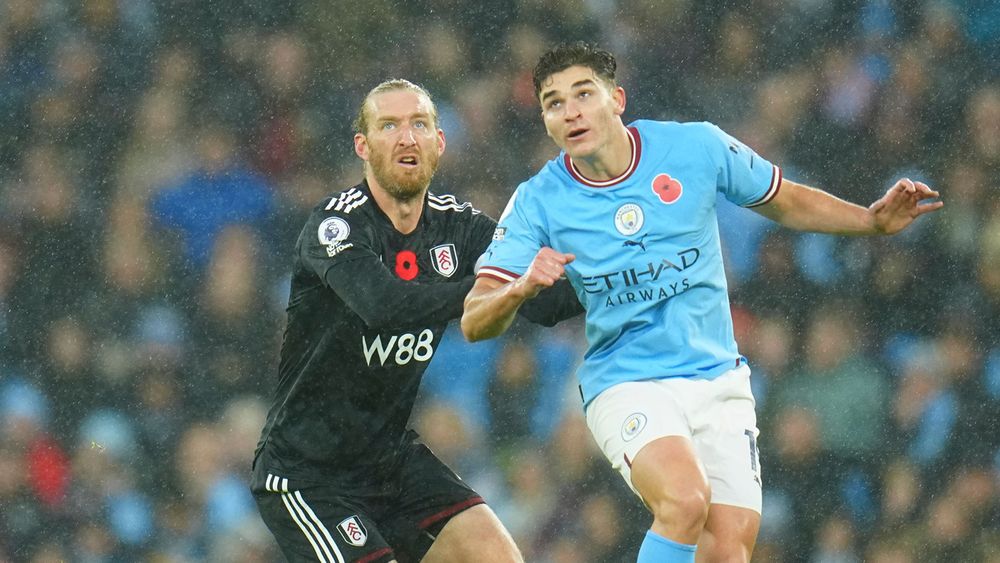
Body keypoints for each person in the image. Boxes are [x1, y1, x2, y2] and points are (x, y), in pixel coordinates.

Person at [461, 42, 942, 563]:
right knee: (685, 500)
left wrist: (871, 221)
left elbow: (785, 199)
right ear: (546, 122)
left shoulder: (695, 148)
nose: (571, 111)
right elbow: (473, 319)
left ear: (617, 99)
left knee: (728, 549)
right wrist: (520, 287)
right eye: (554, 103)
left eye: (583, 93)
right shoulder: (537, 199)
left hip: (718, 377)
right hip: (627, 382)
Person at [250, 79, 581, 563]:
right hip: (307, 473)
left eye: (419, 124)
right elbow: (385, 307)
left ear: (438, 142)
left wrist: (630, 269)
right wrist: (503, 288)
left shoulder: (460, 228)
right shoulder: (335, 225)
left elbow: (548, 305)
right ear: (363, 147)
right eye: (390, 126)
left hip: (390, 461)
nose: (407, 137)